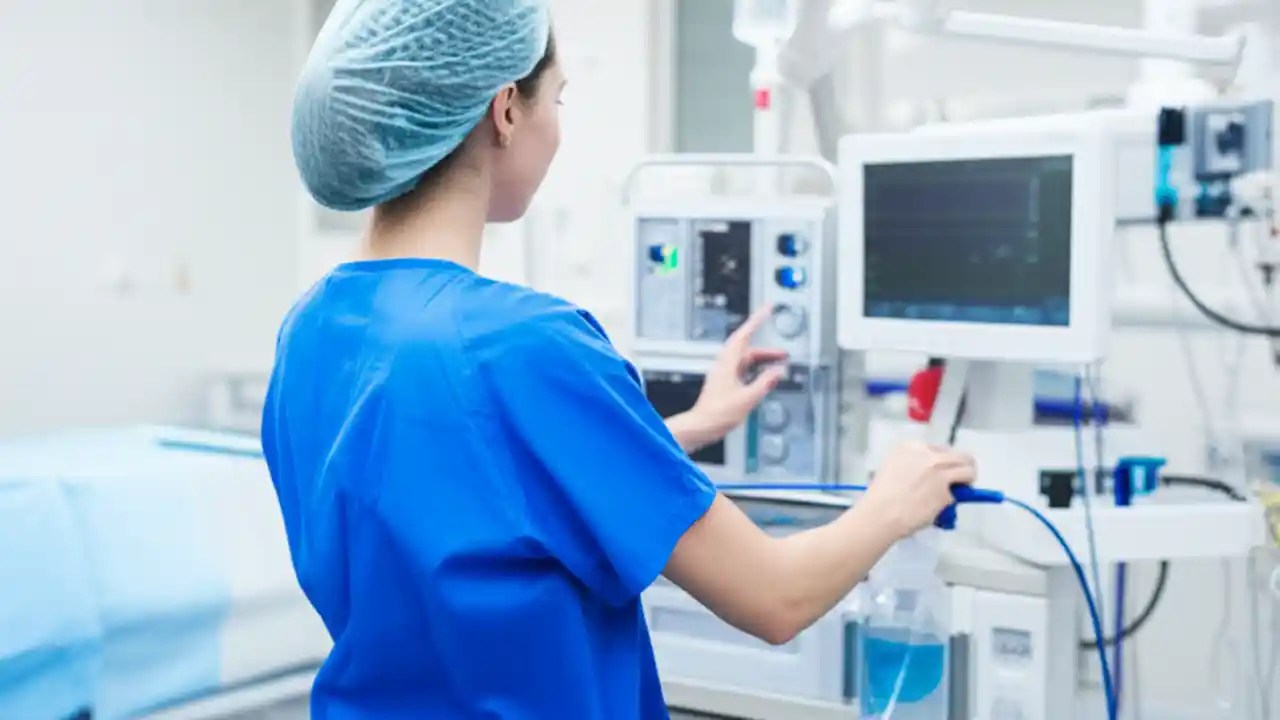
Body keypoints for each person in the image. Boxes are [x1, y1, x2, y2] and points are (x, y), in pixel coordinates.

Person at [262, 1, 976, 718]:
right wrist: (893, 502)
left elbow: (464, 492)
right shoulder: (525, 344)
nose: (558, 125)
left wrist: (689, 425)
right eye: (559, 97)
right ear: (505, 110)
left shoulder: (311, 330)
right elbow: (774, 596)